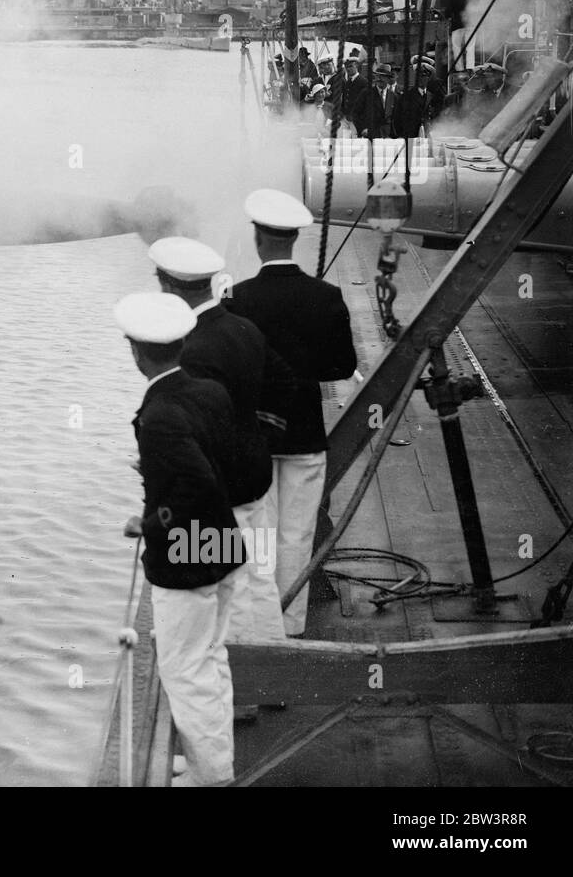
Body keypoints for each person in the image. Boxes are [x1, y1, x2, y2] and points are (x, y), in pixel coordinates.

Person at [116, 291, 244, 785]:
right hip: (221, 544)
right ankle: (210, 761)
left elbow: (195, 484)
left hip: (185, 558)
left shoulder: (159, 415)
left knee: (185, 671)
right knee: (210, 658)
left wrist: (147, 523)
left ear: (137, 352)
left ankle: (212, 779)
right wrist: (159, 468)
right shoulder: (210, 391)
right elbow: (220, 463)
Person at [225, 190, 359, 638]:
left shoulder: (236, 300)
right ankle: (291, 629)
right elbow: (342, 366)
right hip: (304, 434)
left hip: (254, 439)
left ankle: (258, 630)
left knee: (256, 538)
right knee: (296, 537)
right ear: (294, 240)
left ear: (259, 240)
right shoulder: (326, 296)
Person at [148, 237, 291, 644]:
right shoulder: (242, 327)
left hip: (223, 488)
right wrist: (259, 436)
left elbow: (198, 424)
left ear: (169, 287)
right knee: (261, 576)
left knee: (234, 584)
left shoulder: (190, 350)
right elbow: (284, 381)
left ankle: (246, 688)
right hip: (256, 475)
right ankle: (275, 674)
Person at [391, 62, 442, 139]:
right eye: (418, 76)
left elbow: (436, 116)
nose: (420, 79)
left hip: (427, 135)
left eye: (423, 76)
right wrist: (401, 135)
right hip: (410, 136)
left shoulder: (431, 96)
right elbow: (397, 118)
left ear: (428, 78)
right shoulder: (406, 96)